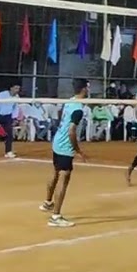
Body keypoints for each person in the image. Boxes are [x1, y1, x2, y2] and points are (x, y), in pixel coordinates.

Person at [40, 78, 89, 227]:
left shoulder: (70, 101)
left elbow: (63, 118)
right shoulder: (78, 109)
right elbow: (72, 130)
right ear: (84, 89)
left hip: (57, 142)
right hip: (65, 146)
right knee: (64, 179)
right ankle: (56, 216)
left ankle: (48, 202)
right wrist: (78, 150)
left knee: (56, 173)